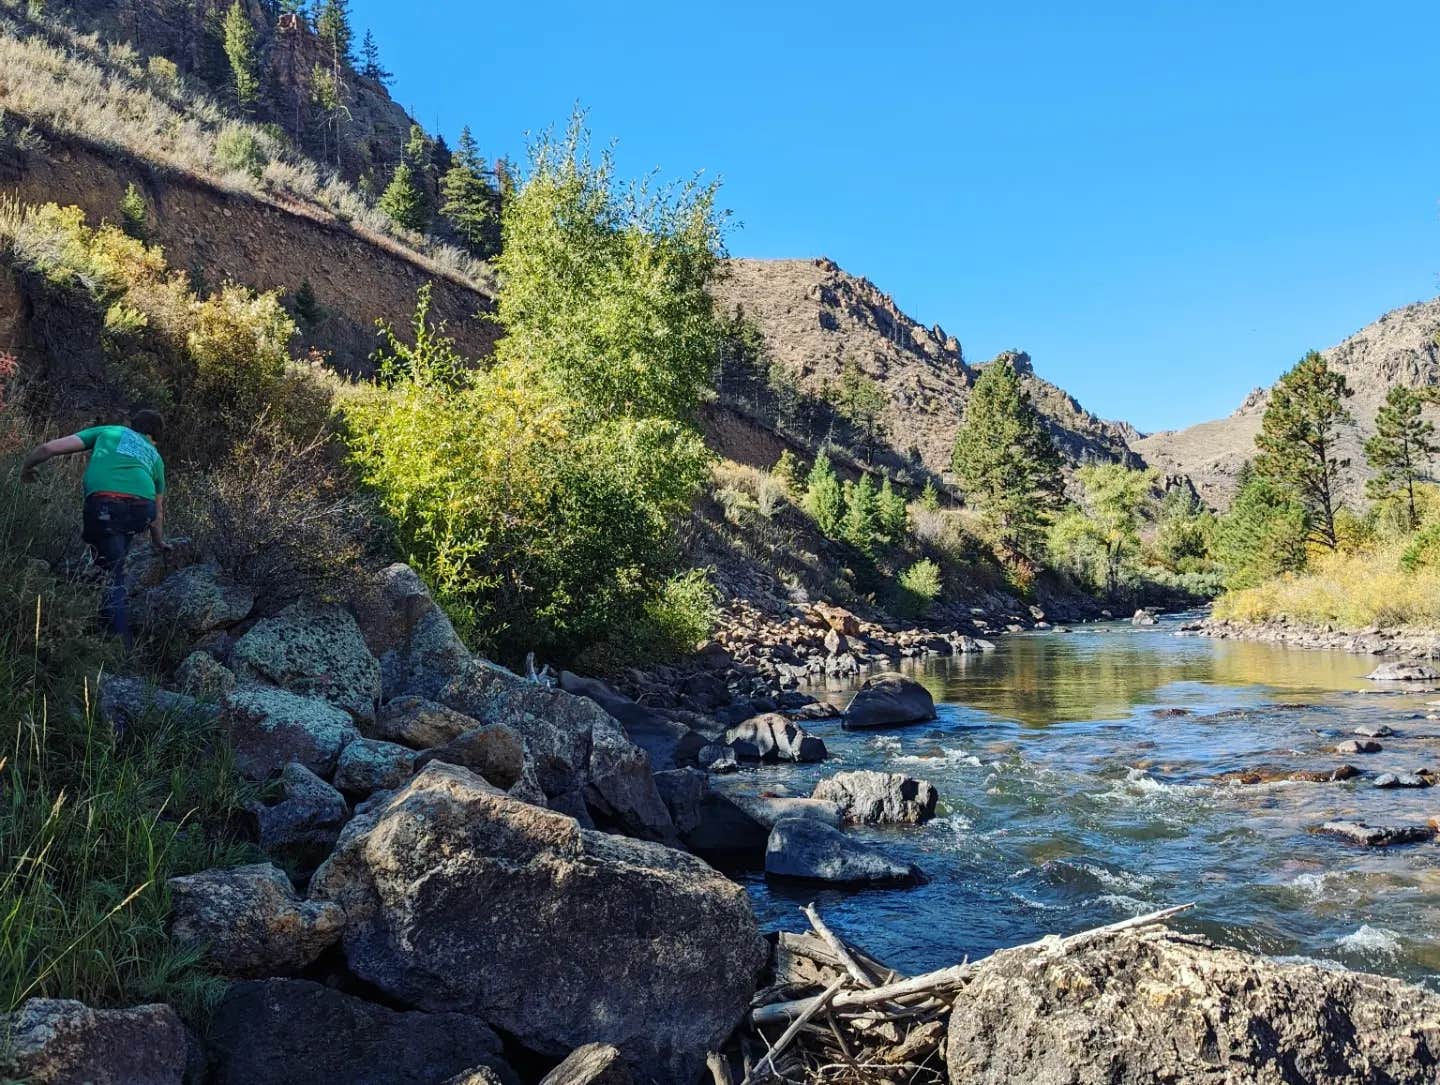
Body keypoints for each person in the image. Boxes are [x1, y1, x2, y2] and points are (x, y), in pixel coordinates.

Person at [21, 409, 172, 648]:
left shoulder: (110, 431)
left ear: (132, 425)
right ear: (155, 436)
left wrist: (26, 468)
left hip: (106, 504)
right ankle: (101, 616)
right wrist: (158, 542)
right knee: (113, 559)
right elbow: (158, 512)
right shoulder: (154, 456)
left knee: (113, 572)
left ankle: (119, 645)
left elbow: (48, 448)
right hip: (142, 509)